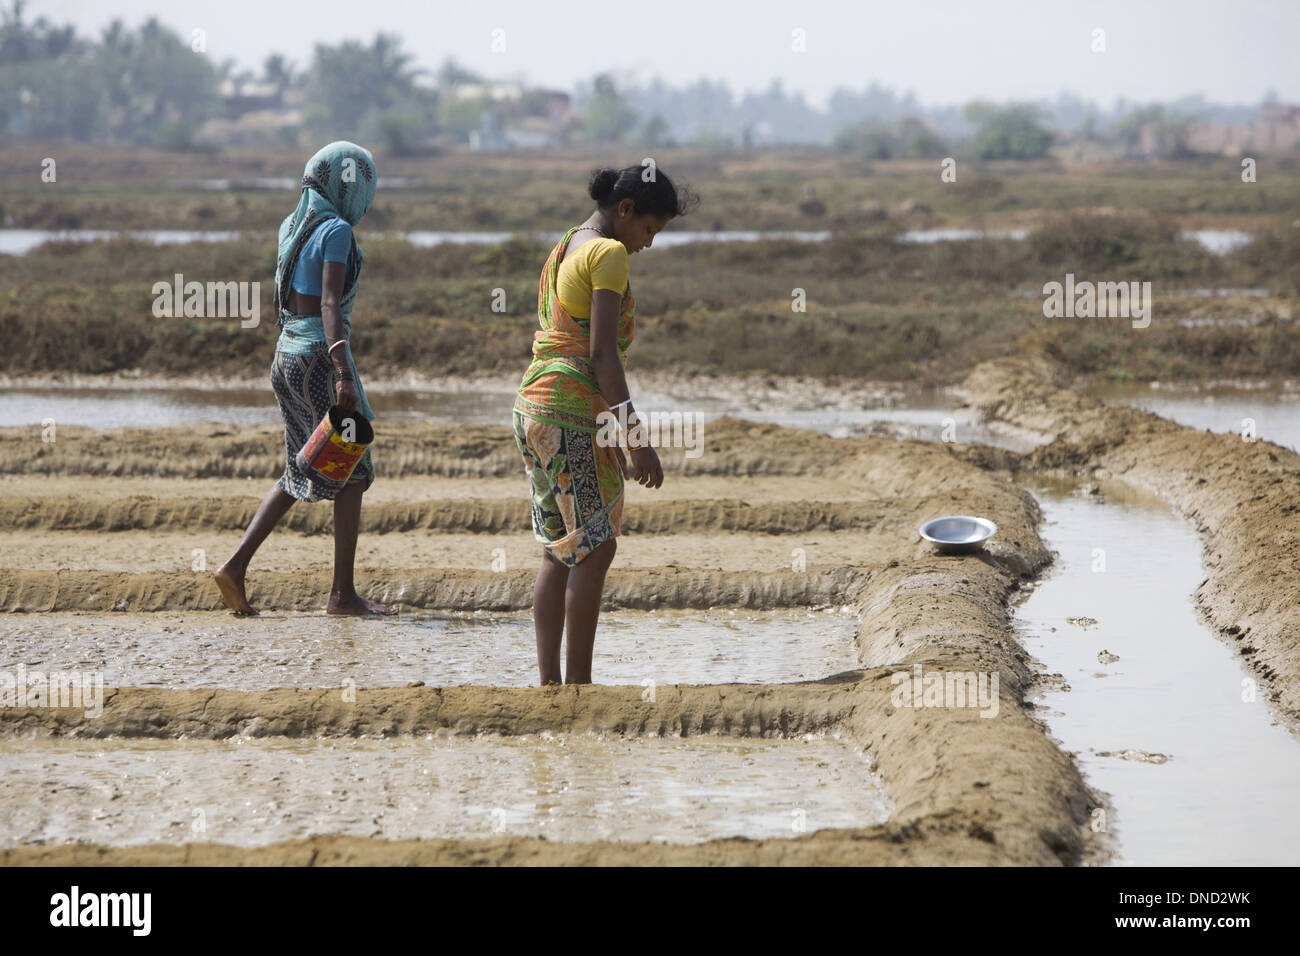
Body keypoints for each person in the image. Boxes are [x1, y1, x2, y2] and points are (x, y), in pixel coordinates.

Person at [513, 164, 697, 684]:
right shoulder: (609, 253)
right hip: (567, 407)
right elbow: (602, 356)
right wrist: (637, 440)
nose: (648, 244)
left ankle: (551, 683)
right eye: (649, 230)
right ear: (626, 211)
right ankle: (579, 686)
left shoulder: (569, 243)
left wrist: (604, 429)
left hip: (535, 406)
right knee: (596, 546)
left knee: (560, 547)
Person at [215, 141, 393, 617]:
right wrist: (342, 372)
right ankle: (342, 595)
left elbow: (290, 298)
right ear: (344, 185)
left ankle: (235, 567)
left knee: (302, 465)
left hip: (287, 355)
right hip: (319, 357)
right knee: (351, 471)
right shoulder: (335, 230)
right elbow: (330, 303)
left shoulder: (290, 225)